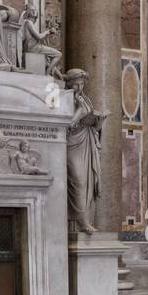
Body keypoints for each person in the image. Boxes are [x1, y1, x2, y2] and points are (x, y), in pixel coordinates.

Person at [64, 68, 108, 233]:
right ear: (69, 83)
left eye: (82, 84)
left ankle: (85, 219)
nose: (79, 87)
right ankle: (80, 220)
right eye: (76, 84)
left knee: (88, 181)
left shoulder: (84, 99)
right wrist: (79, 113)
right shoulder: (62, 99)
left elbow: (90, 127)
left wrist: (98, 125)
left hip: (86, 143)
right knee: (78, 181)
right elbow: (64, 126)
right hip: (70, 144)